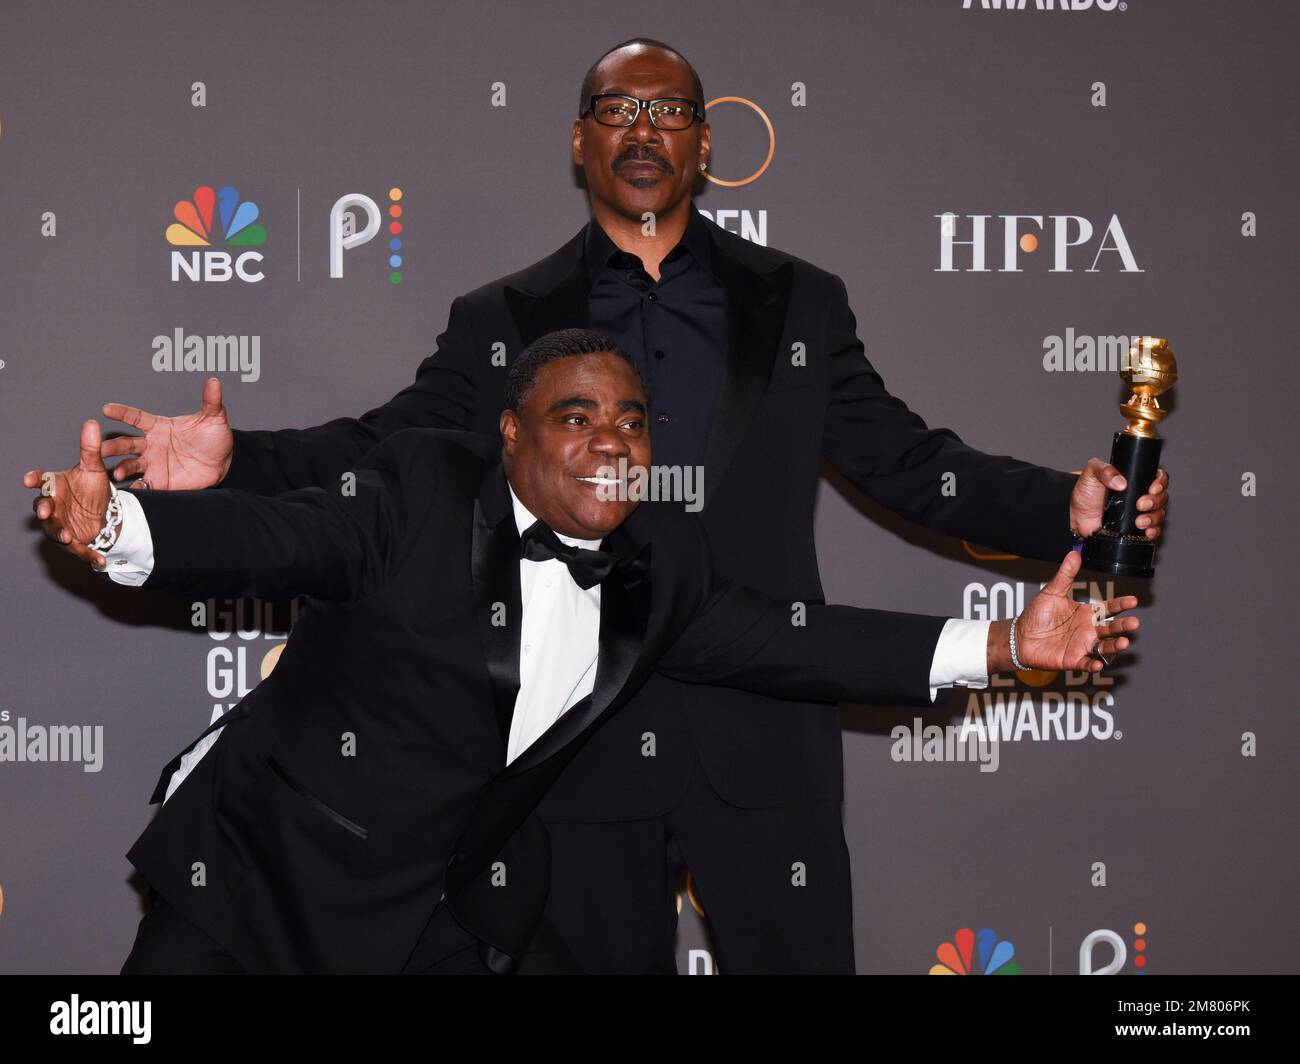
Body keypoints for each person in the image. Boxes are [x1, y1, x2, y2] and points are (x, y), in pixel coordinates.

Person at [42, 39, 1169, 974]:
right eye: (614, 109)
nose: (642, 129)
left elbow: (909, 460)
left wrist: (1062, 511)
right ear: (579, 140)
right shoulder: (503, 311)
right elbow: (386, 452)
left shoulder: (799, 303)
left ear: (705, 142)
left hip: (763, 733)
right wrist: (241, 462)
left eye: (668, 111)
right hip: (571, 752)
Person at [25, 330, 1139, 974]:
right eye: (576, 416)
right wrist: (122, 528)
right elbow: (278, 535)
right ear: (509, 433)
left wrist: (1005, 642)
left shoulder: (663, 563)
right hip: (254, 882)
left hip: (437, 920)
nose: (612, 438)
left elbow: (799, 643)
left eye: (633, 421)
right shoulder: (415, 488)